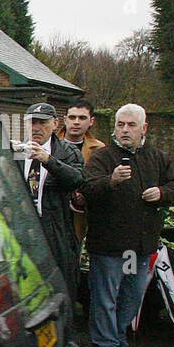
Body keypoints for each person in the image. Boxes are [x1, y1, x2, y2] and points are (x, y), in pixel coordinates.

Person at [80, 103, 174, 347]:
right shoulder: (102, 157)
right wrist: (110, 181)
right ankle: (105, 345)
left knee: (131, 296)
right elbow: (86, 190)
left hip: (140, 245)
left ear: (144, 128)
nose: (124, 130)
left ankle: (119, 338)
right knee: (106, 297)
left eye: (131, 125)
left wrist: (161, 194)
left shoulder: (157, 157)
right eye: (120, 124)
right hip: (109, 245)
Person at [17, 102, 83, 293]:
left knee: (57, 285)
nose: (36, 128)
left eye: (42, 123)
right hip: (24, 229)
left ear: (55, 124)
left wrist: (47, 160)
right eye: (32, 122)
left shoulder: (67, 151)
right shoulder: (17, 151)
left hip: (55, 228)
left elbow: (76, 180)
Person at [61, 100, 106, 246]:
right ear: (64, 120)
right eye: (72, 117)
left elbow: (103, 183)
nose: (76, 122)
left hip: (83, 215)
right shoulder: (49, 145)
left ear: (91, 121)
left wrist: (85, 196)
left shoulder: (99, 150)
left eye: (82, 118)